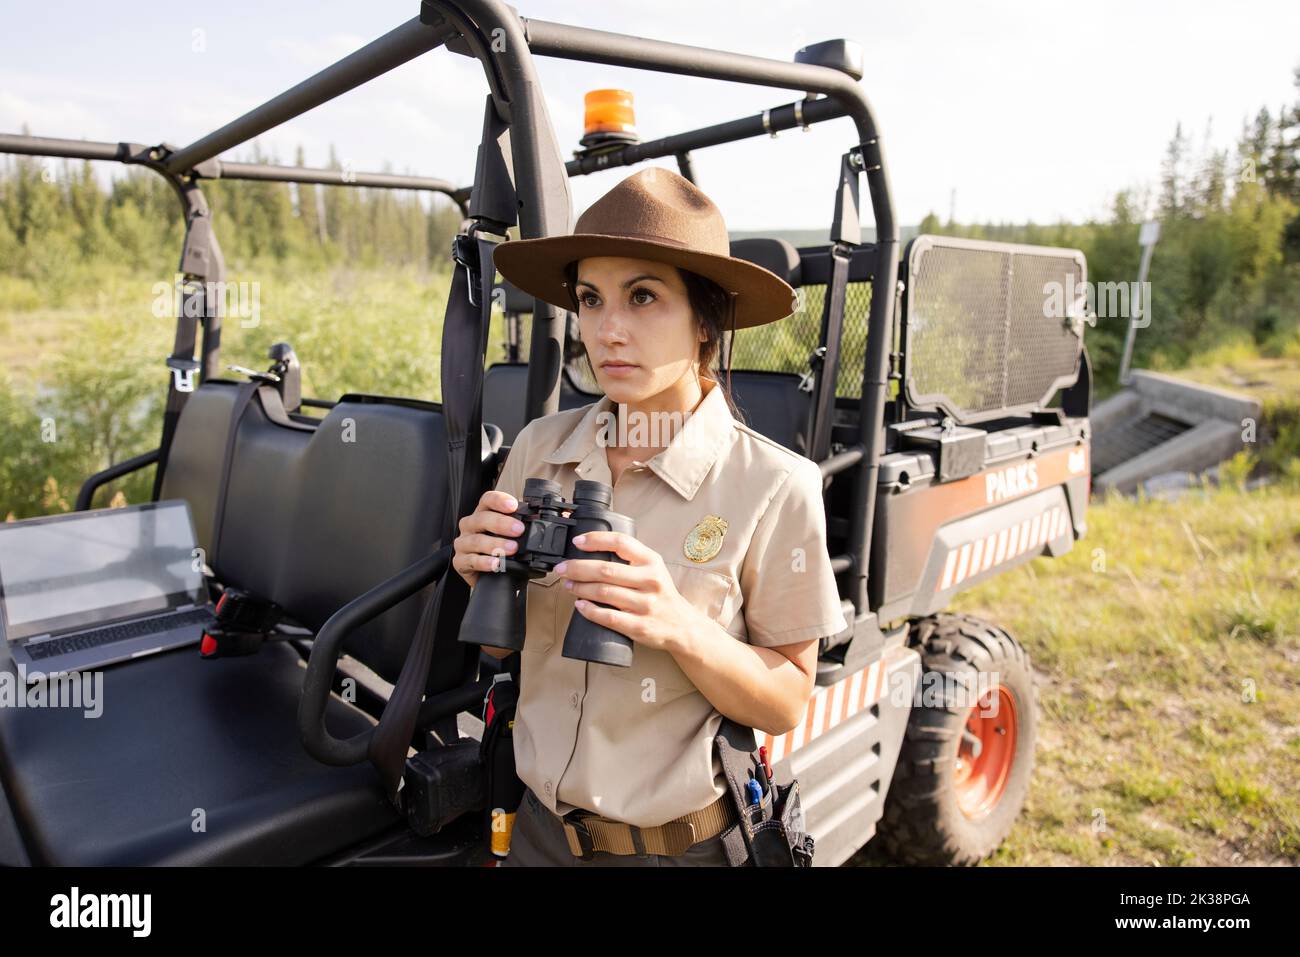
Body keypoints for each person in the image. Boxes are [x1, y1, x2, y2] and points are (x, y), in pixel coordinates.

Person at [452, 166, 847, 866]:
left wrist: (677, 625)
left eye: (642, 296)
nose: (608, 329)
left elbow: (787, 699)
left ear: (705, 321)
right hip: (536, 833)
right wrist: (480, 571)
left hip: (673, 849)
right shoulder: (542, 448)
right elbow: (500, 655)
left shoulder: (775, 485)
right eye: (590, 298)